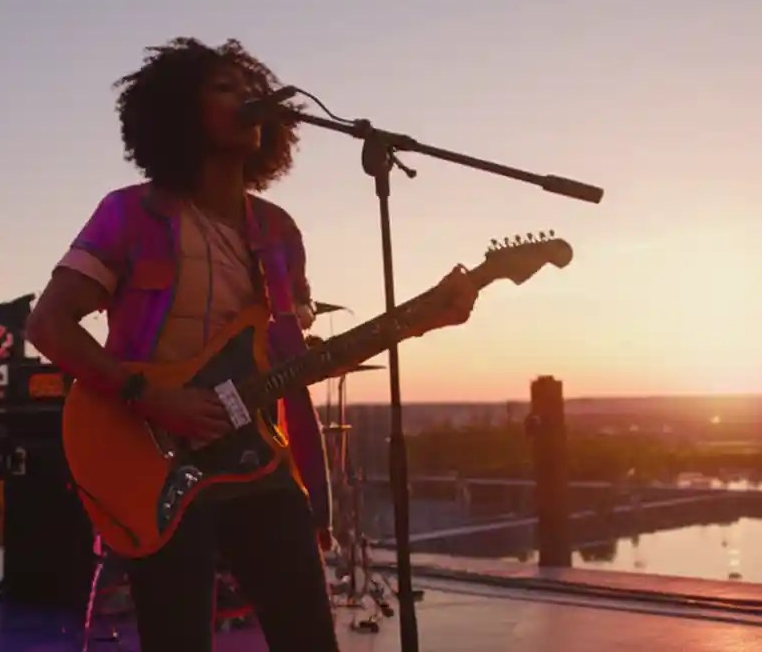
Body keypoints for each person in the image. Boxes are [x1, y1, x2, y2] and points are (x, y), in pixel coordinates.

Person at [26, 37, 478, 651]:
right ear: (179, 110)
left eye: (251, 87)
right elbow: (48, 325)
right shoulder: (130, 215)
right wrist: (150, 396)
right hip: (147, 453)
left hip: (259, 457)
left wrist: (421, 319)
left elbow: (290, 362)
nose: (249, 99)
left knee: (309, 638)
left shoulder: (277, 232)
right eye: (225, 88)